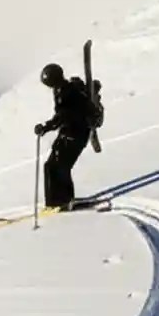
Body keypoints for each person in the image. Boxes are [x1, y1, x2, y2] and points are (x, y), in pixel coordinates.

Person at [34, 62, 96, 210]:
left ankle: (61, 201)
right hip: (72, 133)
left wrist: (45, 127)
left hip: (75, 134)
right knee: (54, 166)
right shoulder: (65, 89)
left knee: (59, 166)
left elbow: (62, 116)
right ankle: (58, 201)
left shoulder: (66, 92)